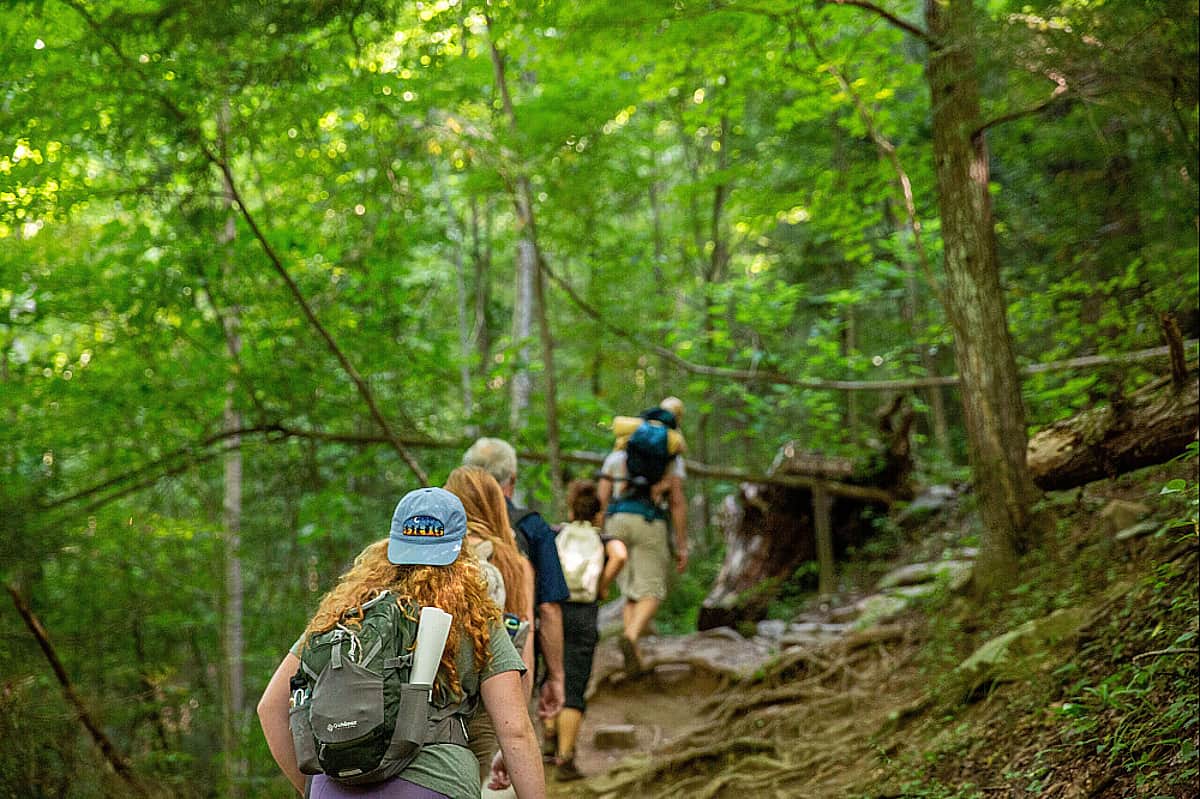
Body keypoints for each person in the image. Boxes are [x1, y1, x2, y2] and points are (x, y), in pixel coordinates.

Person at [257, 487, 546, 799]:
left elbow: (270, 707)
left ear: (391, 543)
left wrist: (314, 789)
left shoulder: (346, 612)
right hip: (435, 784)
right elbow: (514, 731)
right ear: (462, 548)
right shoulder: (474, 617)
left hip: (336, 787)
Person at [462, 438, 568, 721]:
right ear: (513, 478)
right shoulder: (531, 527)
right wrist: (555, 676)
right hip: (510, 666)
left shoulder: (450, 525)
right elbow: (549, 609)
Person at [443, 465, 537, 783]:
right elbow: (521, 644)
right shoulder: (514, 563)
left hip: (434, 695)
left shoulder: (436, 556)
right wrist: (517, 724)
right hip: (485, 701)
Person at [542, 479, 627, 782]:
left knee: (552, 673)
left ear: (570, 506)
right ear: (598, 514)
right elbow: (621, 555)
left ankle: (550, 733)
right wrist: (602, 586)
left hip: (553, 610)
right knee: (574, 683)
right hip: (583, 614)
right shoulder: (603, 539)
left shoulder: (555, 534)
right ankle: (565, 758)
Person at [596, 396, 689, 675]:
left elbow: (601, 497)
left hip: (617, 522)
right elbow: (677, 502)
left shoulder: (616, 455)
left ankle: (633, 652)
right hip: (649, 523)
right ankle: (632, 636)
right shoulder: (671, 461)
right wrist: (682, 545)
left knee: (631, 592)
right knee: (652, 591)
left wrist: (599, 532)